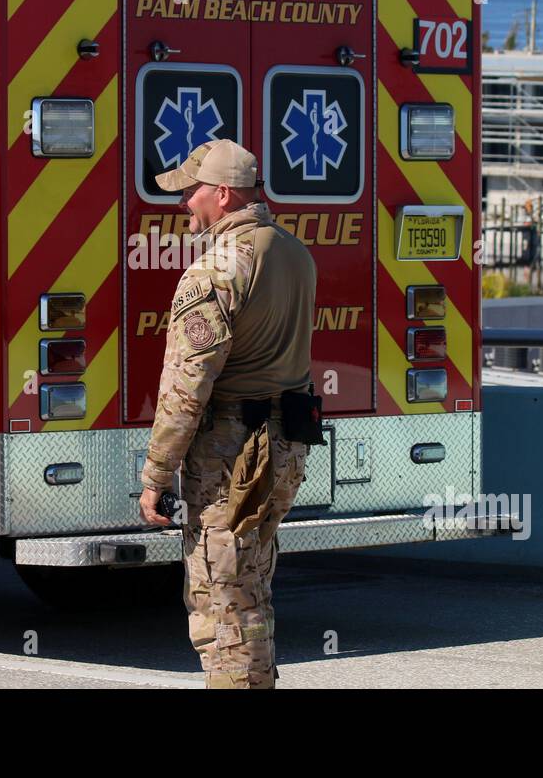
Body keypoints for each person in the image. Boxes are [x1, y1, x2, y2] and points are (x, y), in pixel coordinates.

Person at [138, 139, 319, 690]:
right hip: (284, 444)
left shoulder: (214, 271)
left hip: (231, 456)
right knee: (251, 586)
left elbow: (186, 390)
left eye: (191, 192)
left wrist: (155, 476)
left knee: (222, 604)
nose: (184, 203)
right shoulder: (294, 252)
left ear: (222, 193)